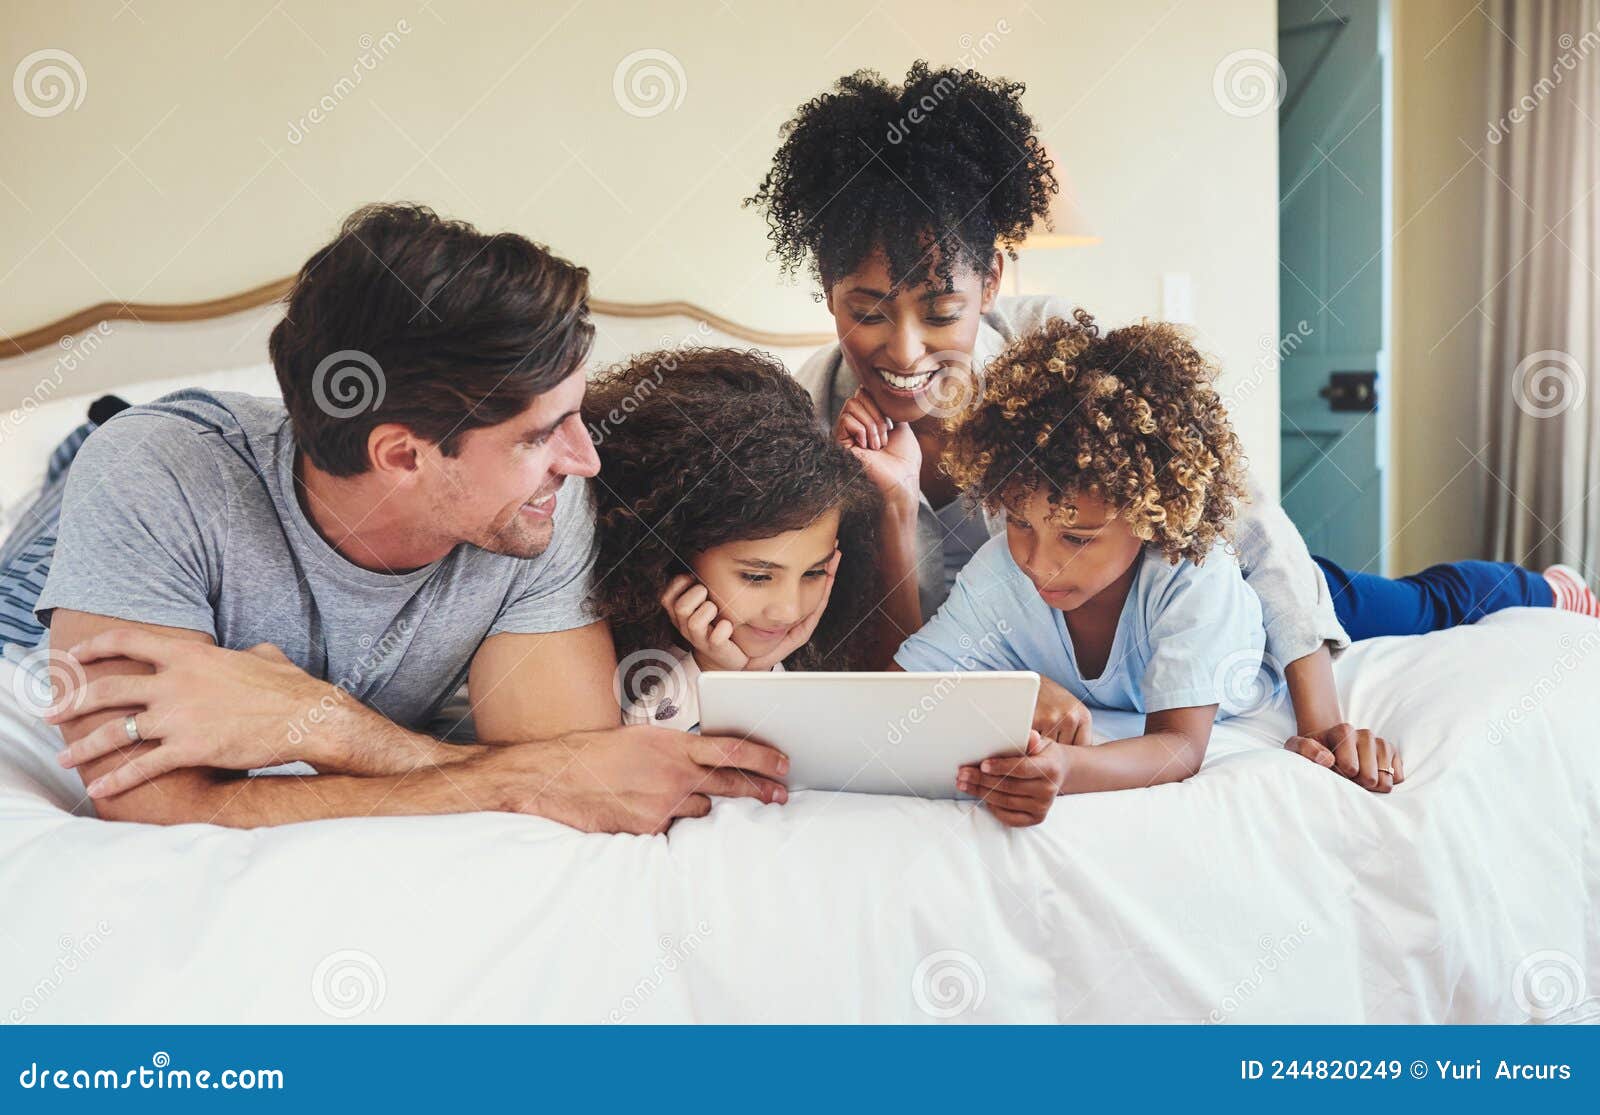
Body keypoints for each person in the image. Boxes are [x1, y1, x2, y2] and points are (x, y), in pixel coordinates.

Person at [747, 61, 1596, 793]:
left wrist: (1324, 718)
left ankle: (1538, 588)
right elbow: (886, 657)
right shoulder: (803, 433)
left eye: (941, 311)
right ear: (827, 293)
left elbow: (1245, 518)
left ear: (994, 278)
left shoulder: (1060, 356)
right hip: (1072, 650)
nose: (903, 350)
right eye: (866, 311)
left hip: (1196, 593)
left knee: (1413, 603)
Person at [23, 203, 788, 831]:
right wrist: (488, 773)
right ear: (401, 454)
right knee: (81, 462)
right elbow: (148, 802)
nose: (585, 458)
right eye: (538, 433)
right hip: (73, 542)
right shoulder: (151, 475)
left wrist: (323, 721)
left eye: (576, 415)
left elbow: (565, 774)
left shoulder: (538, 508)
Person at [896, 313, 1399, 825]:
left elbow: (1179, 745)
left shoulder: (1192, 576)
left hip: (1297, 602)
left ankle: (1486, 578)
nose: (1038, 562)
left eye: (1077, 537)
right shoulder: (1002, 571)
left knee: (1438, 601)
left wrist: (1070, 769)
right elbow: (904, 685)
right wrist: (1009, 691)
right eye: (1021, 523)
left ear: (1148, 518)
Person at [584, 347, 881, 734]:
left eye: (813, 573)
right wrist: (716, 673)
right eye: (757, 577)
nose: (788, 611)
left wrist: (751, 672)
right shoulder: (595, 636)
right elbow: (629, 771)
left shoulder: (815, 651)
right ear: (672, 554)